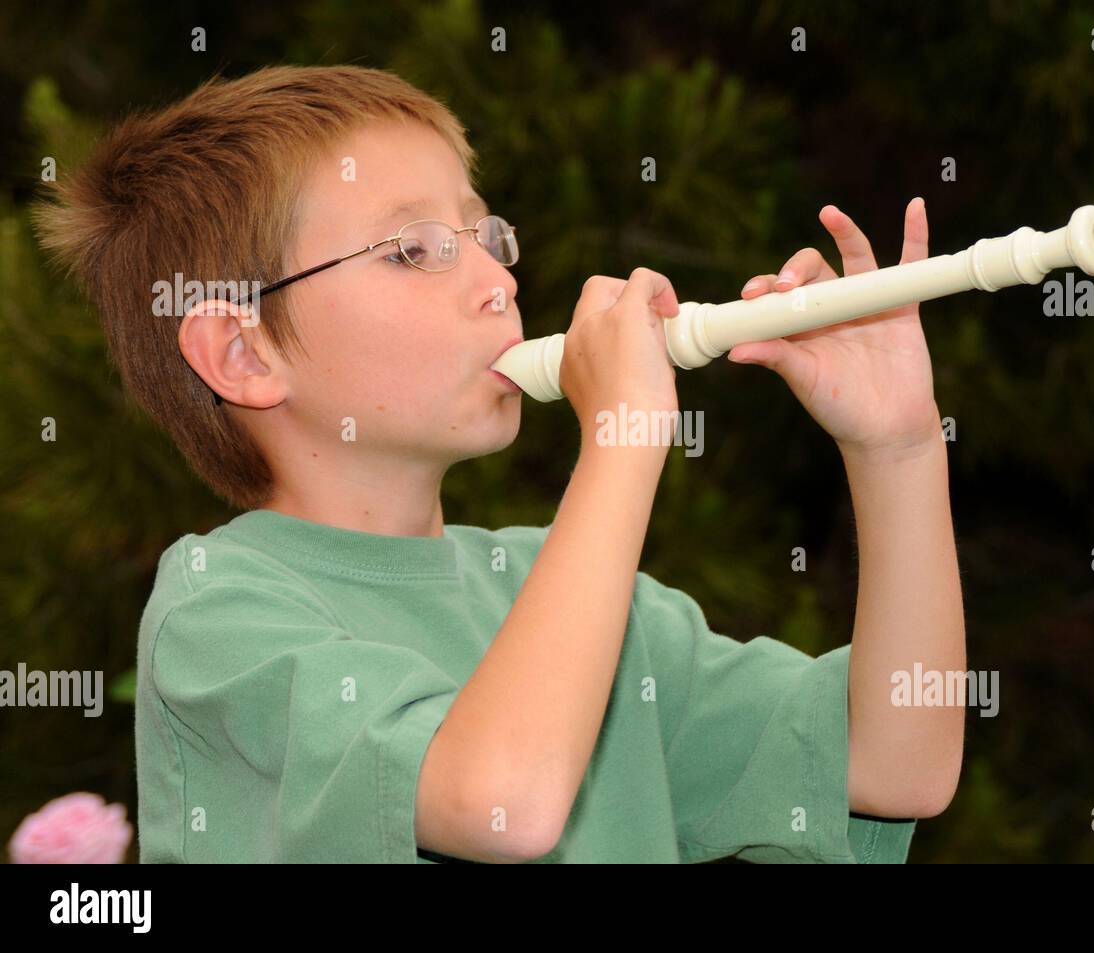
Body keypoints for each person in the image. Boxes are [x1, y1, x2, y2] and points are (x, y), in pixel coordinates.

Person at [33, 64, 965, 863]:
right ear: (243, 352)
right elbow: (500, 802)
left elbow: (897, 767)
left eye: (485, 235)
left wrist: (899, 447)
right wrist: (624, 440)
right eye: (414, 250)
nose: (499, 280)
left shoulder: (587, 601)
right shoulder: (220, 614)